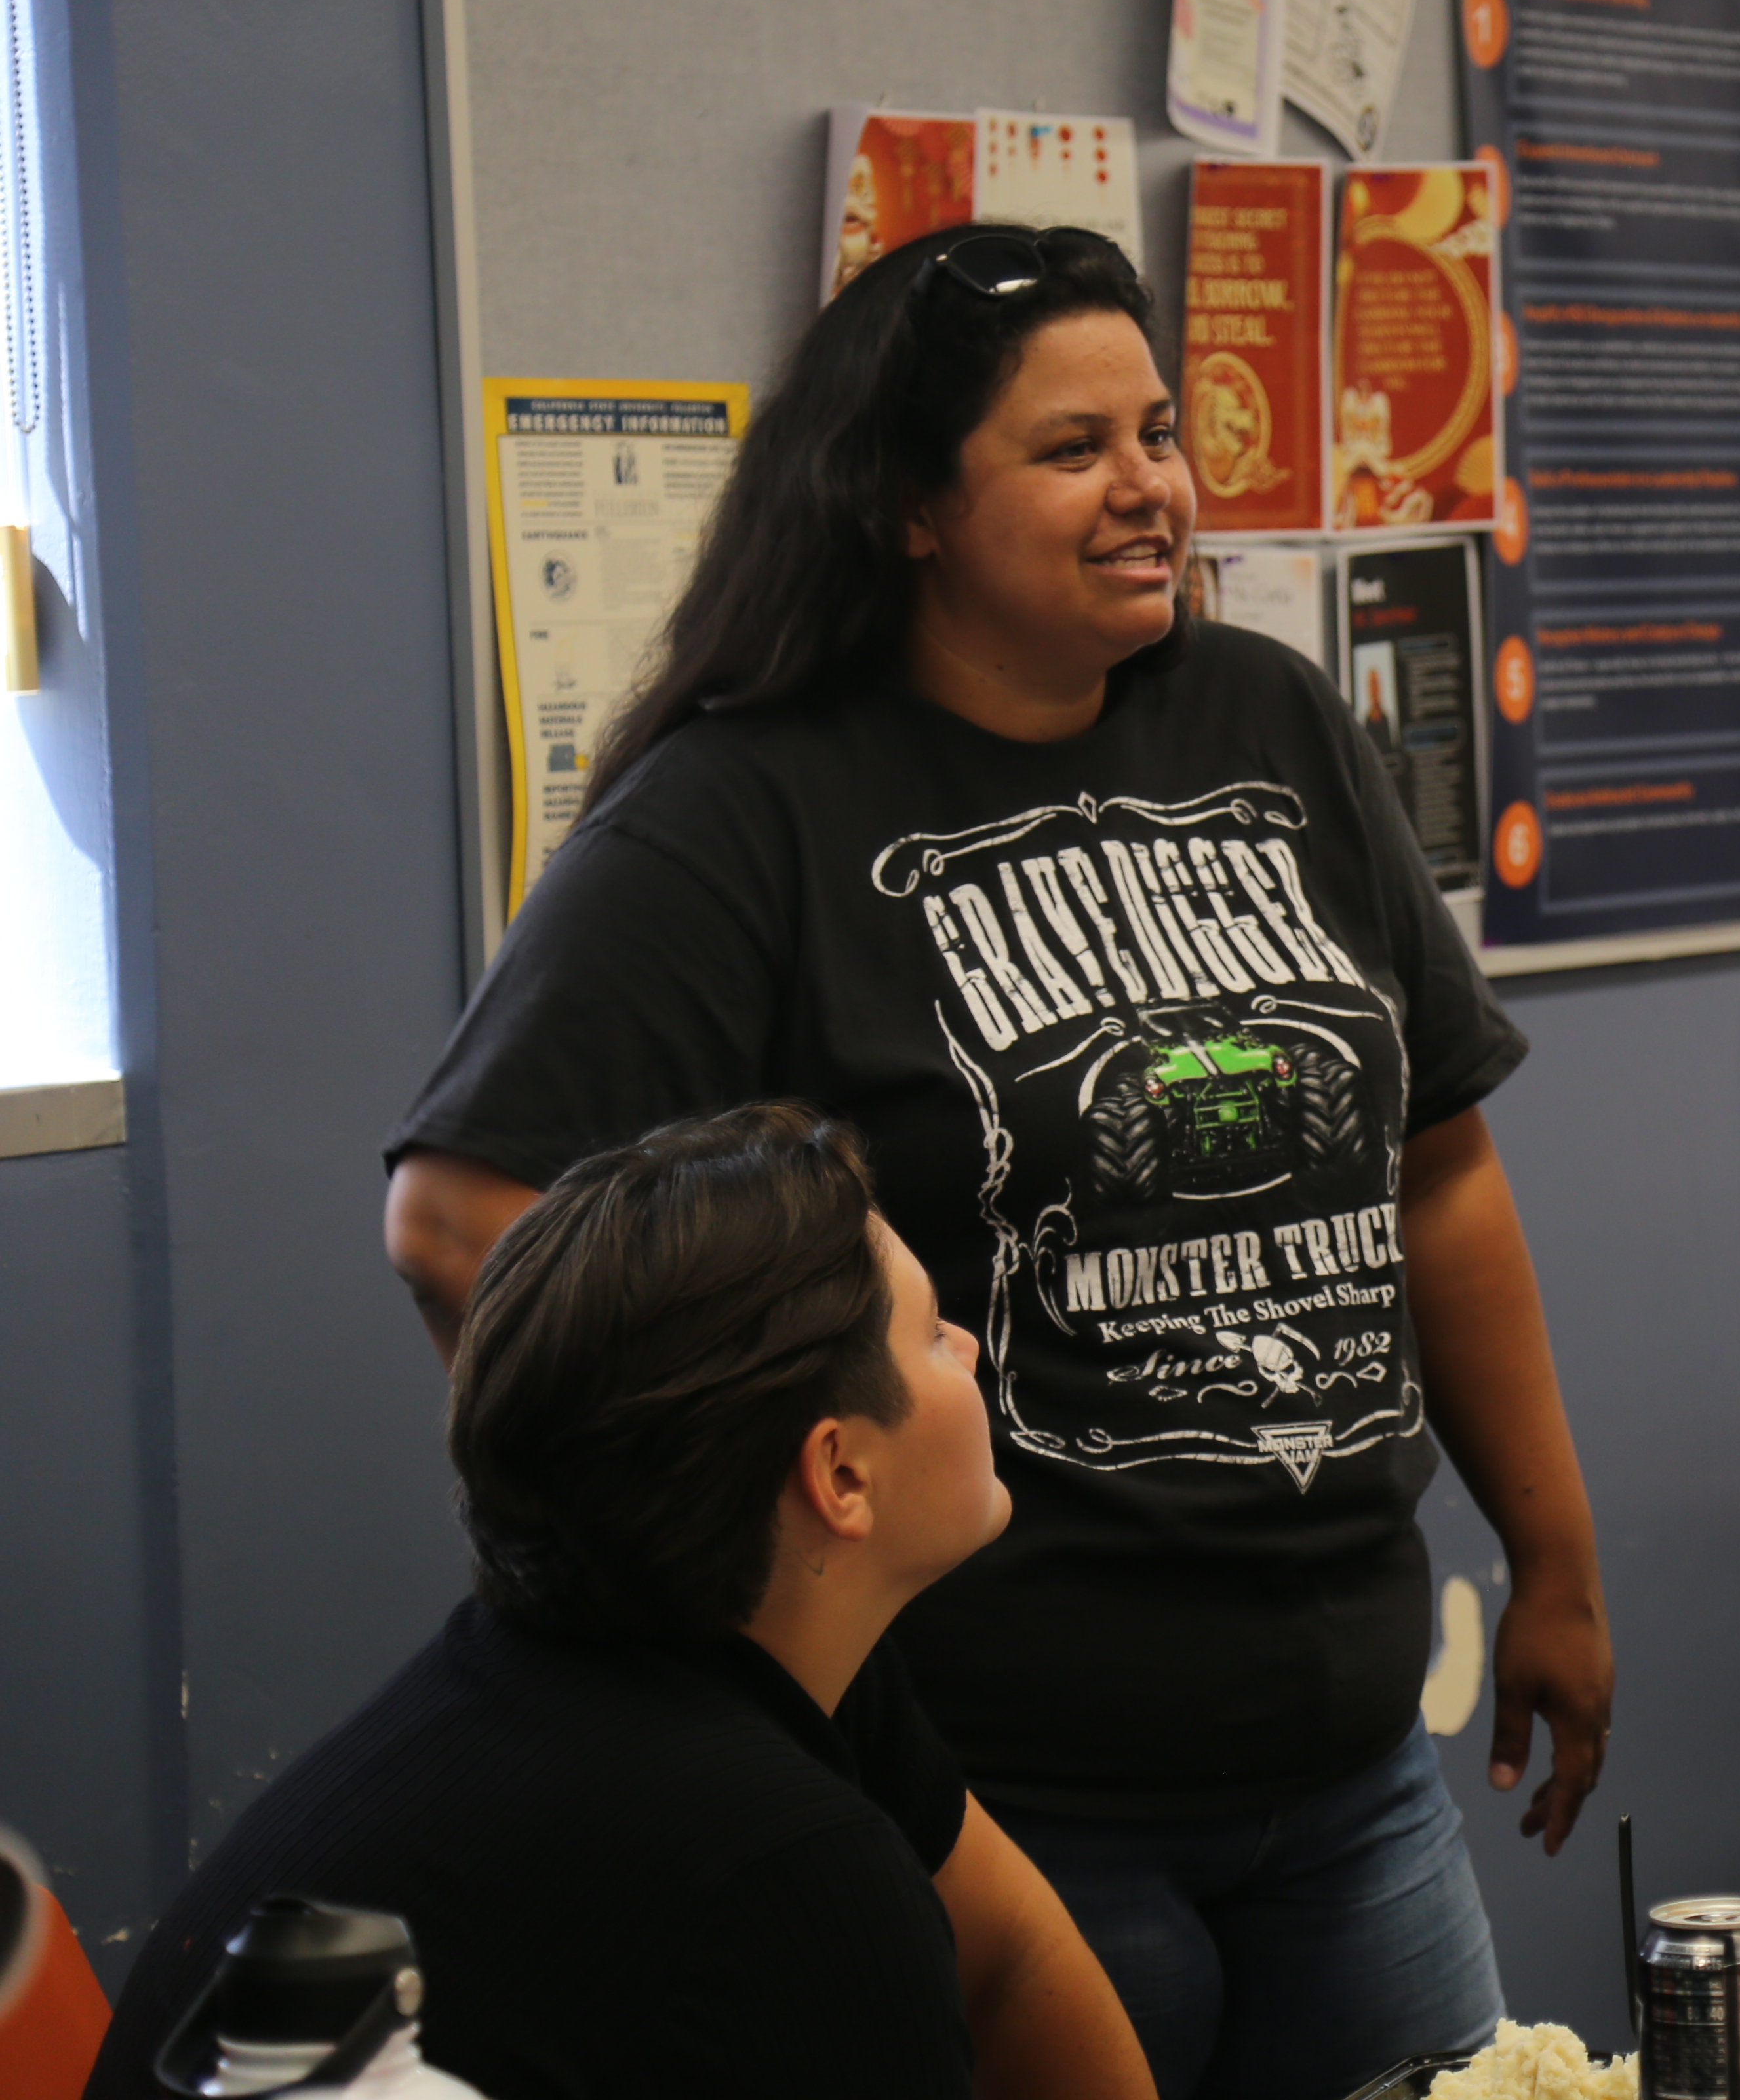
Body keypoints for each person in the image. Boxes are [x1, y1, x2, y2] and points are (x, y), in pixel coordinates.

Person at [380, 225, 1611, 2099]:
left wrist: (1557, 1558)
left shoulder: (1273, 718)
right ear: (909, 507)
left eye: (1161, 432)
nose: (1150, 488)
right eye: (1072, 448)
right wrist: (733, 1583)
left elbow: (1436, 1170)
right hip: (1005, 1796)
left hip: (1353, 1769)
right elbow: (461, 1222)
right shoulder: (749, 804)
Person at [87, 1104, 1151, 2100]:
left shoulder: (673, 1652)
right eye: (928, 1336)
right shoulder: (781, 1871)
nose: (969, 1345)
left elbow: (1015, 1963)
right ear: (840, 1476)